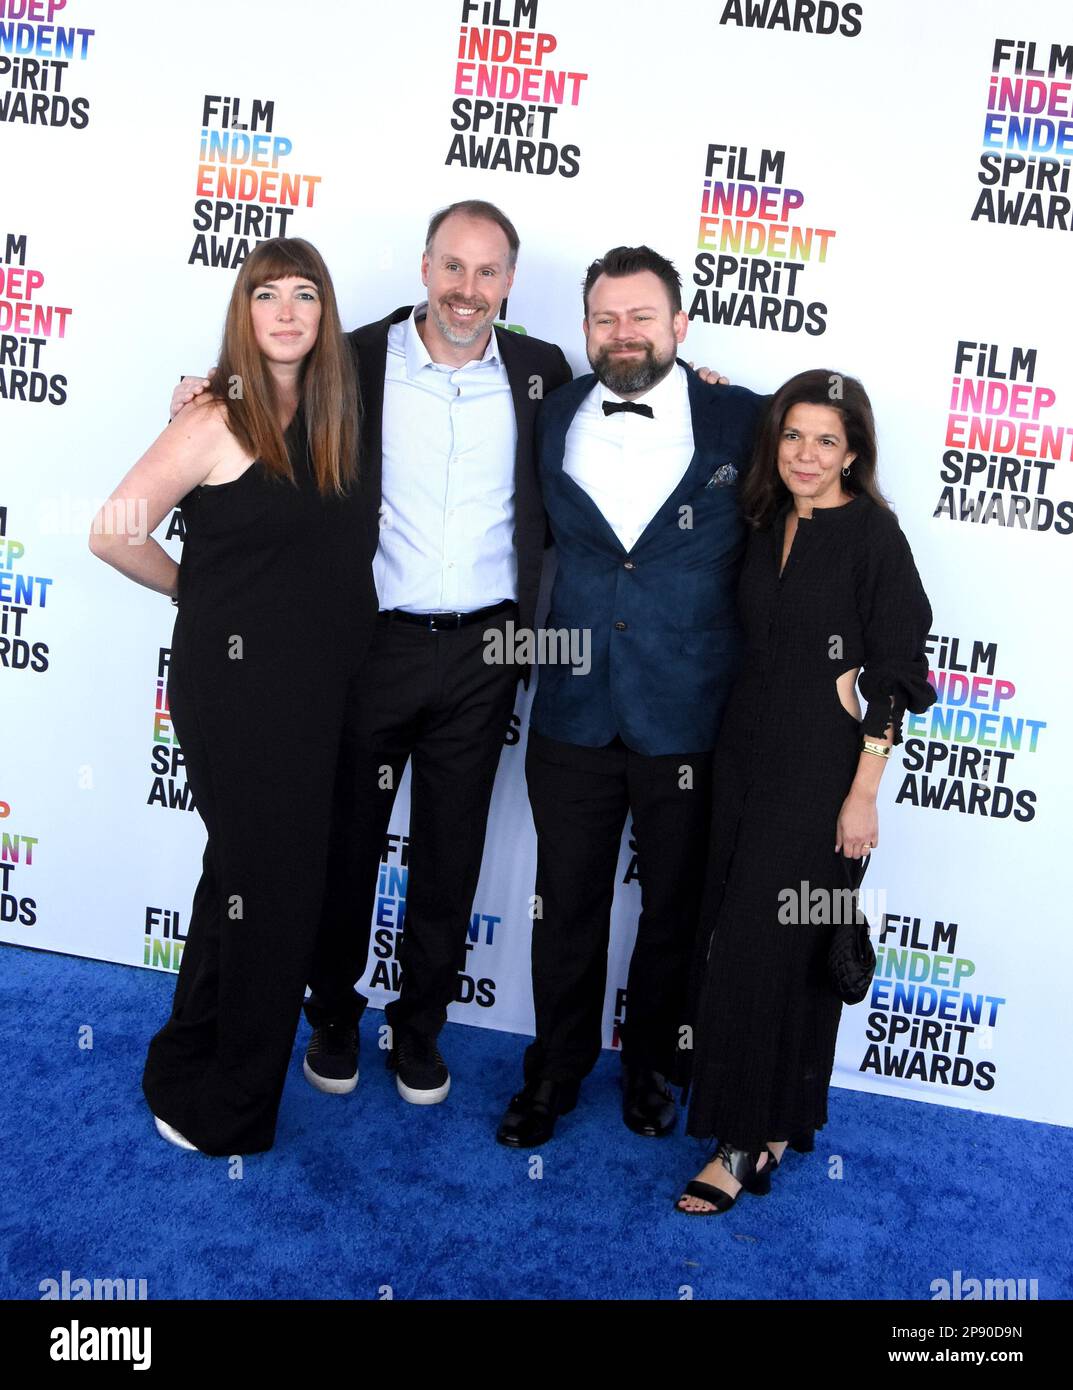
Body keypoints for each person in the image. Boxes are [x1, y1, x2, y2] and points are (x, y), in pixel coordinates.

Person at [91, 237, 376, 1155]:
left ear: (325, 313)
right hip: (238, 691)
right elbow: (112, 532)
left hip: (322, 689)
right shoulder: (214, 417)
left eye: (305, 295)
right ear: (242, 314)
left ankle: (187, 1056)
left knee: (243, 883)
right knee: (274, 892)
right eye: (267, 295)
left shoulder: (340, 406)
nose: (287, 312)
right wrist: (192, 591)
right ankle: (226, 1106)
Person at [496, 246, 767, 1148]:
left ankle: (656, 1065)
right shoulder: (551, 409)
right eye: (605, 318)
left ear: (679, 325)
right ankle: (554, 1069)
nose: (623, 334)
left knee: (675, 910)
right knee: (562, 901)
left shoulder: (747, 420)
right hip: (571, 706)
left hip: (689, 713)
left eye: (642, 316)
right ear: (583, 330)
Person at [674, 368, 936, 1214]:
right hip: (739, 750)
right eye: (792, 435)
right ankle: (781, 1118)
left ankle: (741, 1141)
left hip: (821, 768)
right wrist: (709, 381)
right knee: (752, 937)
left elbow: (896, 672)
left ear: (854, 451)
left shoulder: (873, 537)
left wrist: (862, 793)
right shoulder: (762, 520)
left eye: (827, 439)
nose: (806, 453)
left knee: (770, 944)